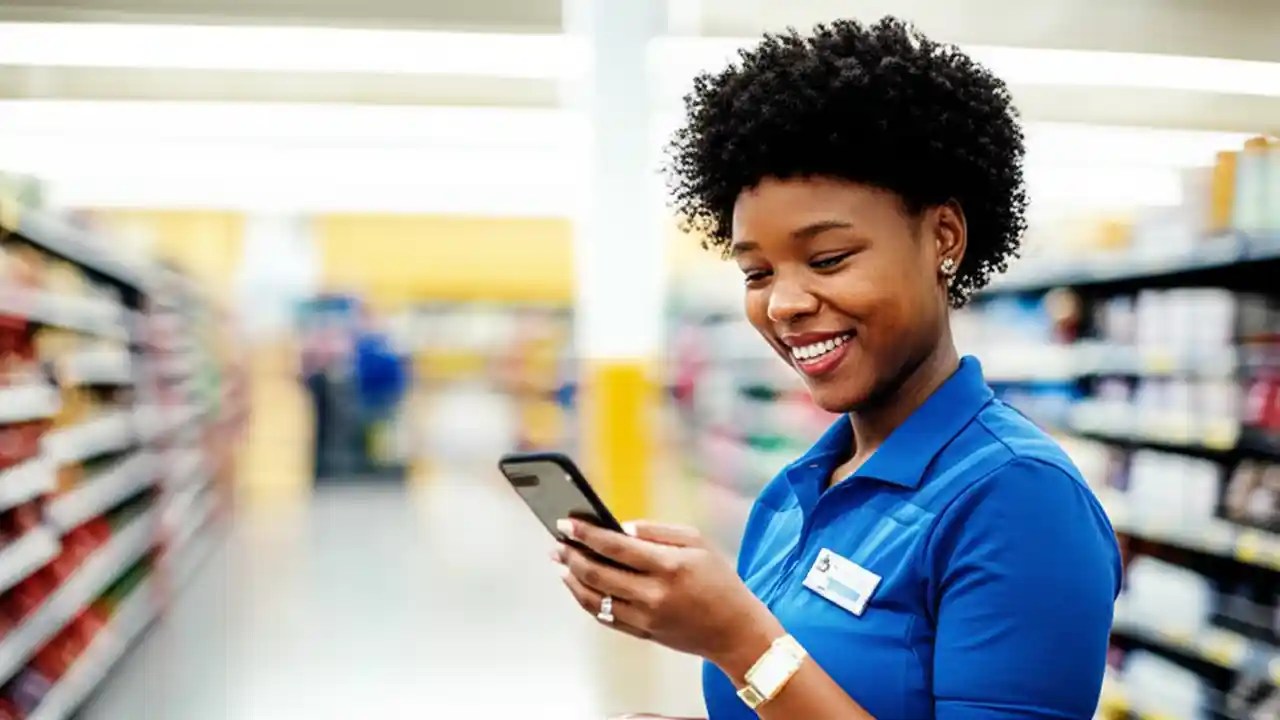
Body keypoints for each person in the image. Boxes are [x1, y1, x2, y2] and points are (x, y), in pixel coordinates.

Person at [551, 17, 1121, 720]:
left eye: (827, 260)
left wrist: (738, 639)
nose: (785, 303)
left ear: (943, 237)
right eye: (756, 271)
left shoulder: (1019, 499)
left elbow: (772, 671)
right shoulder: (796, 493)